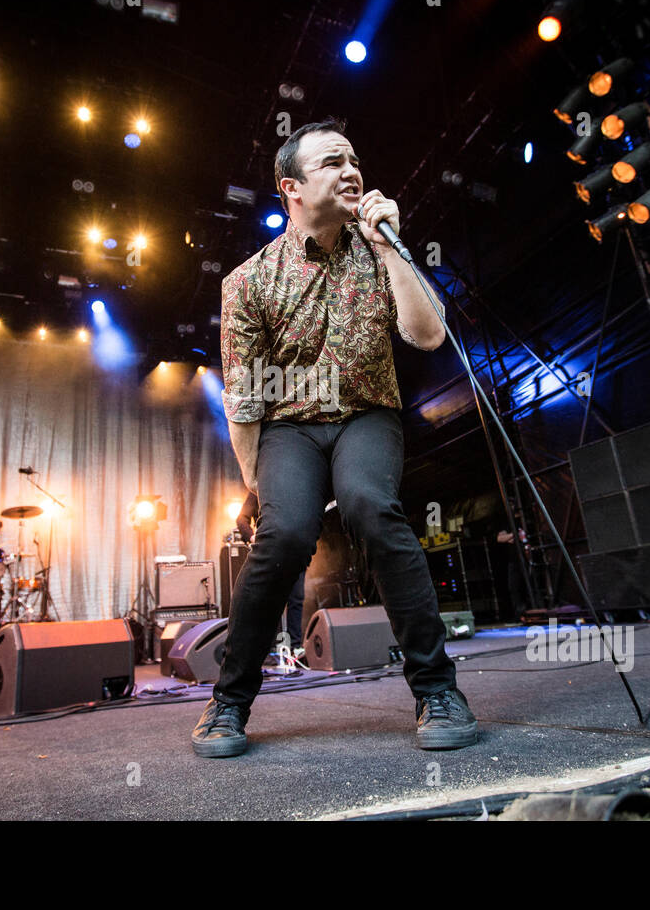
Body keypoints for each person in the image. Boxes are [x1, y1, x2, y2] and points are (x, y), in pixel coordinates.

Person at [192, 118, 475, 758]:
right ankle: (228, 702)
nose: (352, 171)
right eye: (332, 163)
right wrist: (257, 481)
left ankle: (438, 692)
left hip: (367, 413)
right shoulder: (248, 282)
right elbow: (244, 395)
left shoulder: (379, 251)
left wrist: (390, 248)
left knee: (372, 508)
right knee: (286, 533)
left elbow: (427, 336)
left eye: (355, 159)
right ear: (292, 188)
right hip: (289, 426)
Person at [235, 490, 306, 653]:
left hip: (295, 548)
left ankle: (294, 647)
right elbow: (241, 519)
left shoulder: (295, 489)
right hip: (270, 550)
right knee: (270, 599)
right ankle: (272, 647)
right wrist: (252, 537)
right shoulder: (258, 490)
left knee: (296, 598)